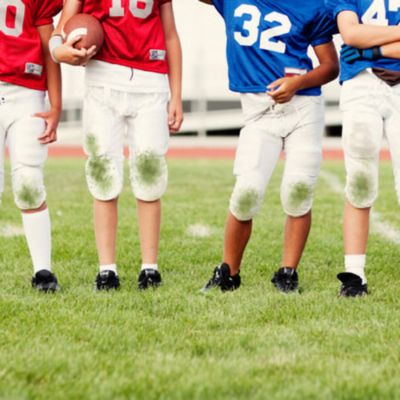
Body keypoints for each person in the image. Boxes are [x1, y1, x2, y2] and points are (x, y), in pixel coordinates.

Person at [199, 0, 339, 293]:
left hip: (303, 107)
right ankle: (229, 272)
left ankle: (288, 272)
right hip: (257, 111)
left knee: (298, 189)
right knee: (246, 192)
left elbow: (330, 66)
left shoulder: (310, 6)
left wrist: (298, 83)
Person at [51, 0, 183, 290]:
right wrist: (61, 51)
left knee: (149, 175)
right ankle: (106, 269)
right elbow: (60, 33)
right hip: (102, 81)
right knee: (103, 173)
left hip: (151, 82)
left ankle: (150, 268)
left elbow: (170, 34)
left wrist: (176, 95)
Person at [327, 0, 400, 296]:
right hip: (362, 84)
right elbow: (351, 35)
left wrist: (371, 50)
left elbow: (360, 41)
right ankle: (354, 274)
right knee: (359, 178)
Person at [0, 0, 63, 291]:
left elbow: (48, 45)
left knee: (29, 180)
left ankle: (43, 272)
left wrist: (56, 104)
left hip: (27, 93)